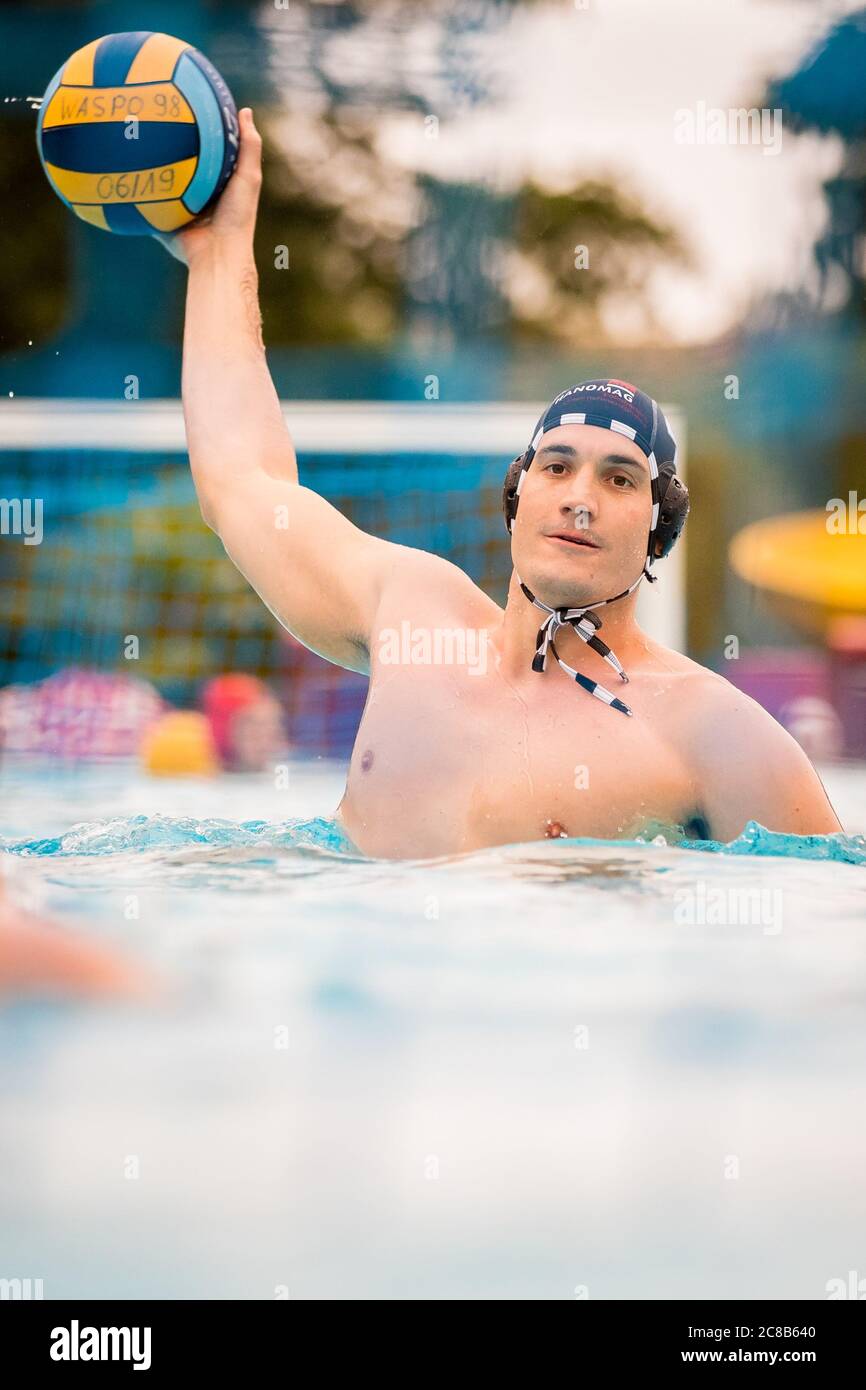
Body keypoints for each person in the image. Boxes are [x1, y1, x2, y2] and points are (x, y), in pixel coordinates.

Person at [158, 109, 842, 859]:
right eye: (556, 466)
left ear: (659, 526)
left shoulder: (716, 736)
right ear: (517, 498)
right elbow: (240, 481)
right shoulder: (409, 619)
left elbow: (825, 923)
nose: (579, 495)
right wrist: (221, 255)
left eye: (619, 479)